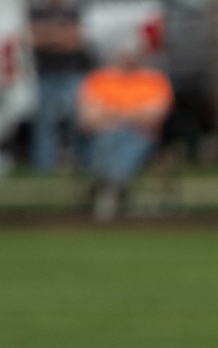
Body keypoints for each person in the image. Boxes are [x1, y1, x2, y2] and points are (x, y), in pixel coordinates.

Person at [77, 42, 173, 221]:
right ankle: (111, 184)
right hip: (105, 134)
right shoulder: (99, 79)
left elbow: (153, 118)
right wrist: (133, 114)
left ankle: (108, 184)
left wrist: (111, 113)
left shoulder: (154, 80)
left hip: (141, 137)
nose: (128, 58)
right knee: (105, 140)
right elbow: (87, 119)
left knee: (131, 142)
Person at [27, 0, 89, 174]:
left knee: (77, 119)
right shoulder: (37, 12)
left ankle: (81, 163)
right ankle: (43, 168)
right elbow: (34, 38)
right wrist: (61, 36)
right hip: (46, 75)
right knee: (45, 122)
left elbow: (75, 40)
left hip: (72, 73)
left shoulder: (73, 12)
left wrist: (49, 37)